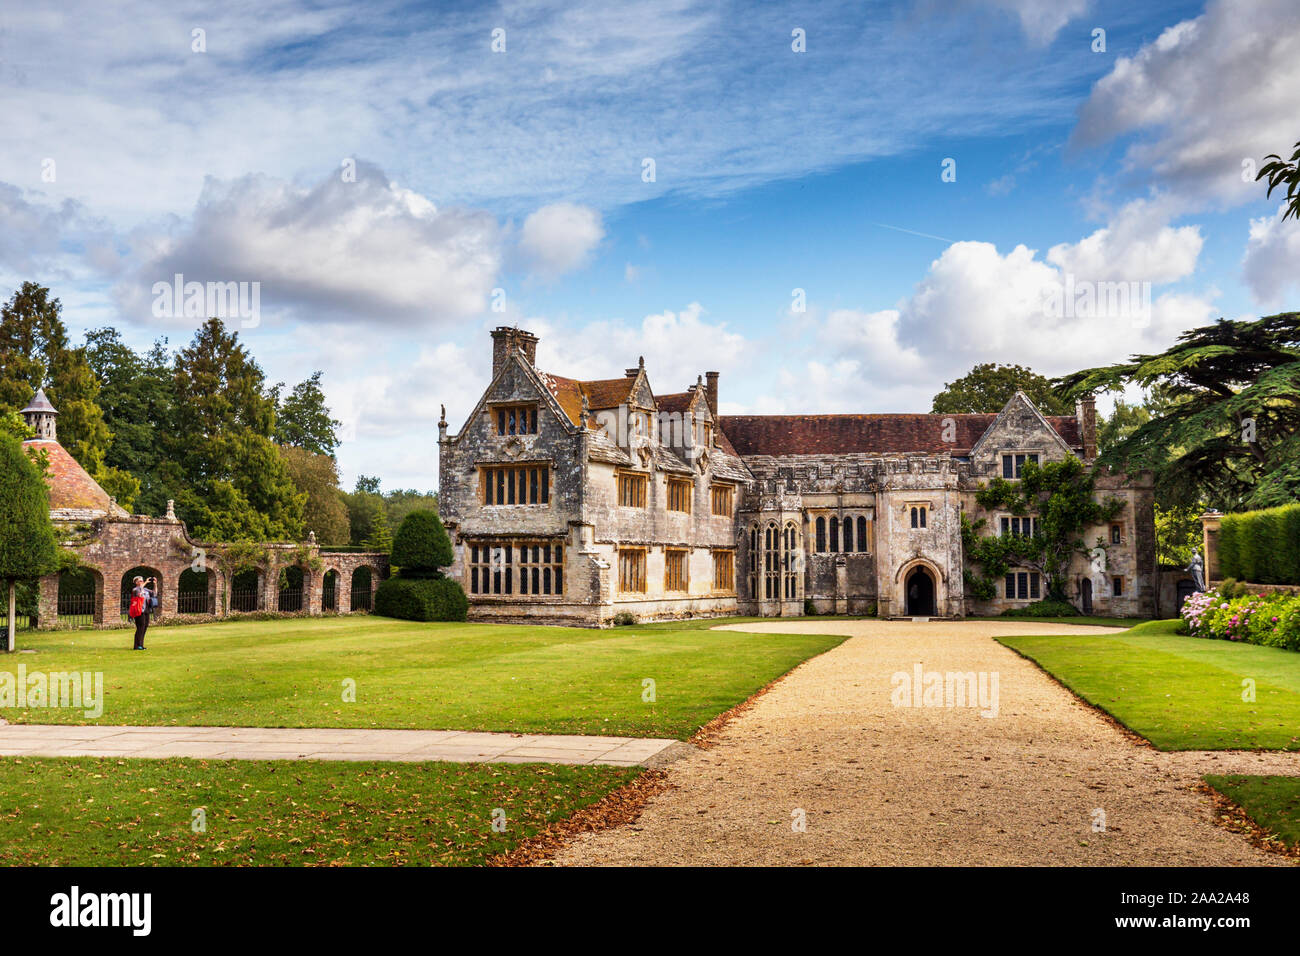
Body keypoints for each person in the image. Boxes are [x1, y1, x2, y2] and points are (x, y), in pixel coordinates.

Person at [128, 575, 156, 650]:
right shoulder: (135, 589)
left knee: (145, 627)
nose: (142, 581)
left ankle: (141, 644)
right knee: (140, 627)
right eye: (140, 581)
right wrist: (146, 582)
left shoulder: (146, 590)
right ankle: (137, 646)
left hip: (146, 610)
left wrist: (155, 584)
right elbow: (139, 594)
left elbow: (154, 593)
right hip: (139, 610)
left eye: (142, 580)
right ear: (136, 582)